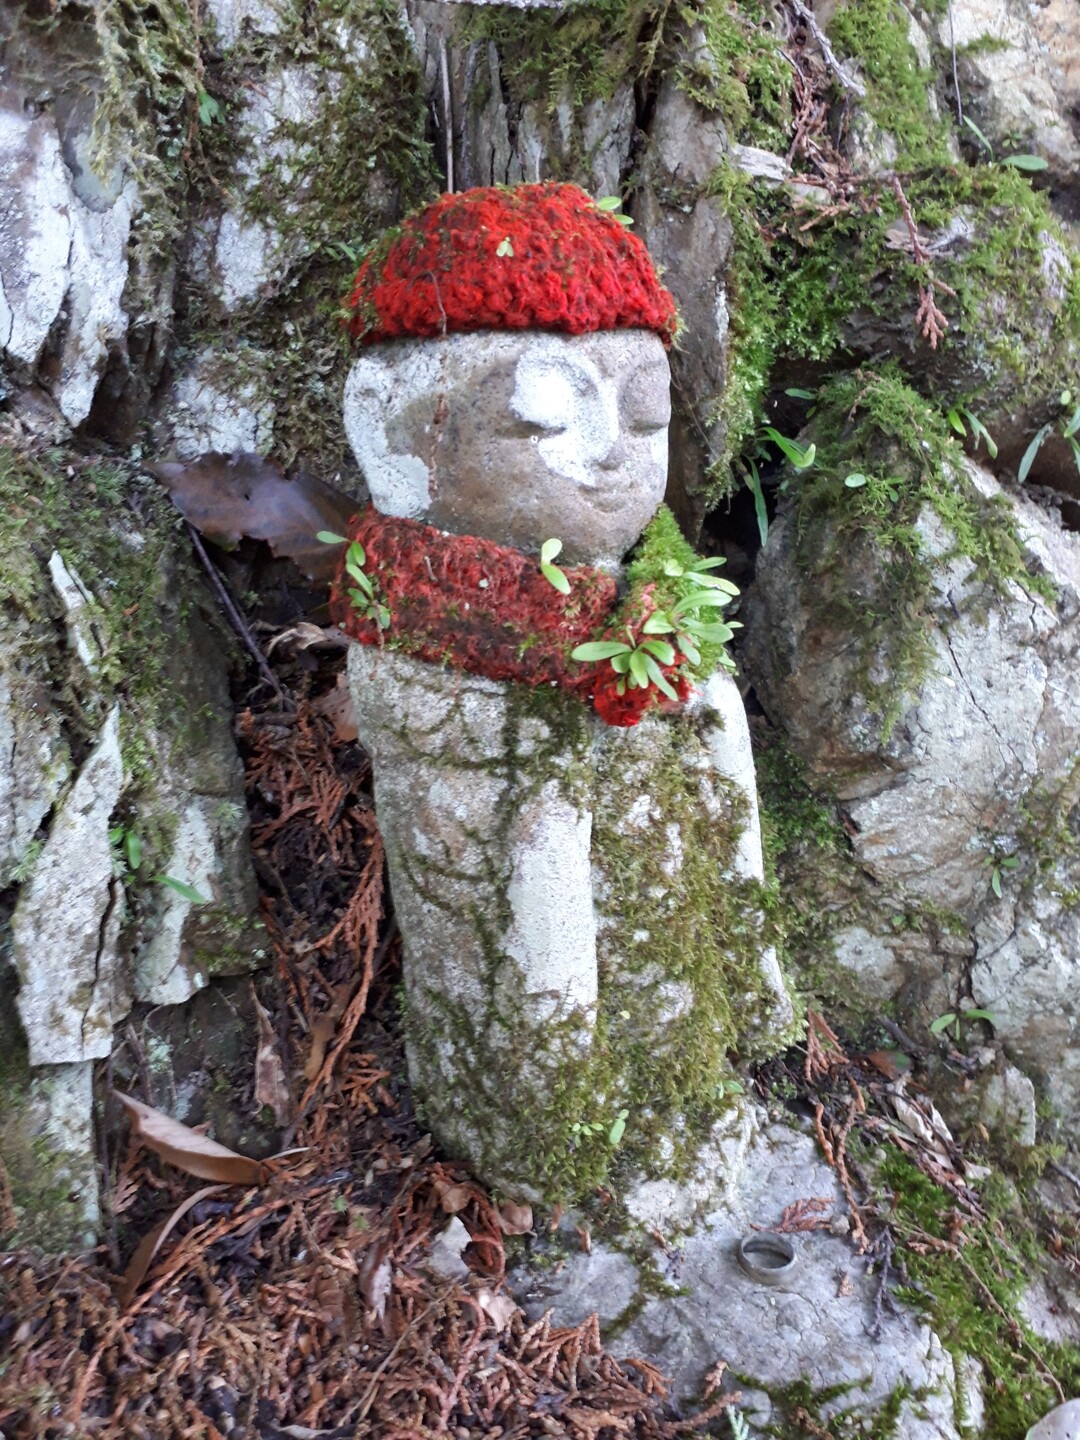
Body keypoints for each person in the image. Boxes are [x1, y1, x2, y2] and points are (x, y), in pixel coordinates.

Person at [332, 184, 795, 1200]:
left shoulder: (658, 601)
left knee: (677, 1020)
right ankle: (538, 1142)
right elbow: (456, 802)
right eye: (548, 418)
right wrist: (545, 790)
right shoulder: (419, 629)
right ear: (391, 434)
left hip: (666, 948)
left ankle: (693, 1073)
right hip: (526, 968)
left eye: (644, 414)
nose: (614, 463)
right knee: (527, 991)